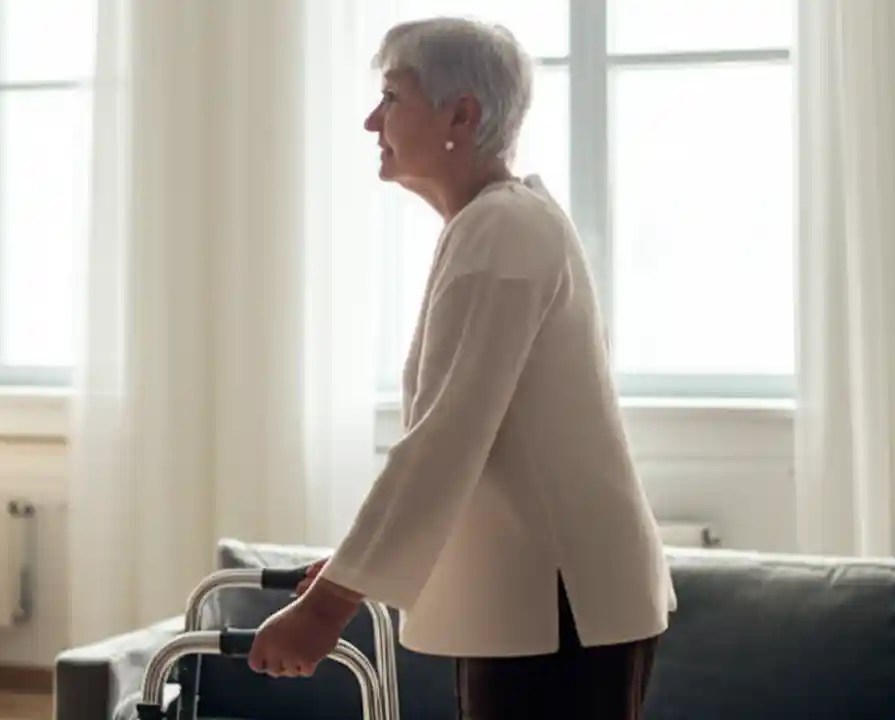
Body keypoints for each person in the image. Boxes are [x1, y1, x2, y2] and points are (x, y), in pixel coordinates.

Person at [247, 16, 676, 720]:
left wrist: (329, 607)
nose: (370, 121)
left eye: (391, 98)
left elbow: (445, 440)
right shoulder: (495, 223)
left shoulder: (499, 229)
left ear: (462, 115)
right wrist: (354, 566)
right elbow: (474, 444)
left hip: (561, 604)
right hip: (545, 599)